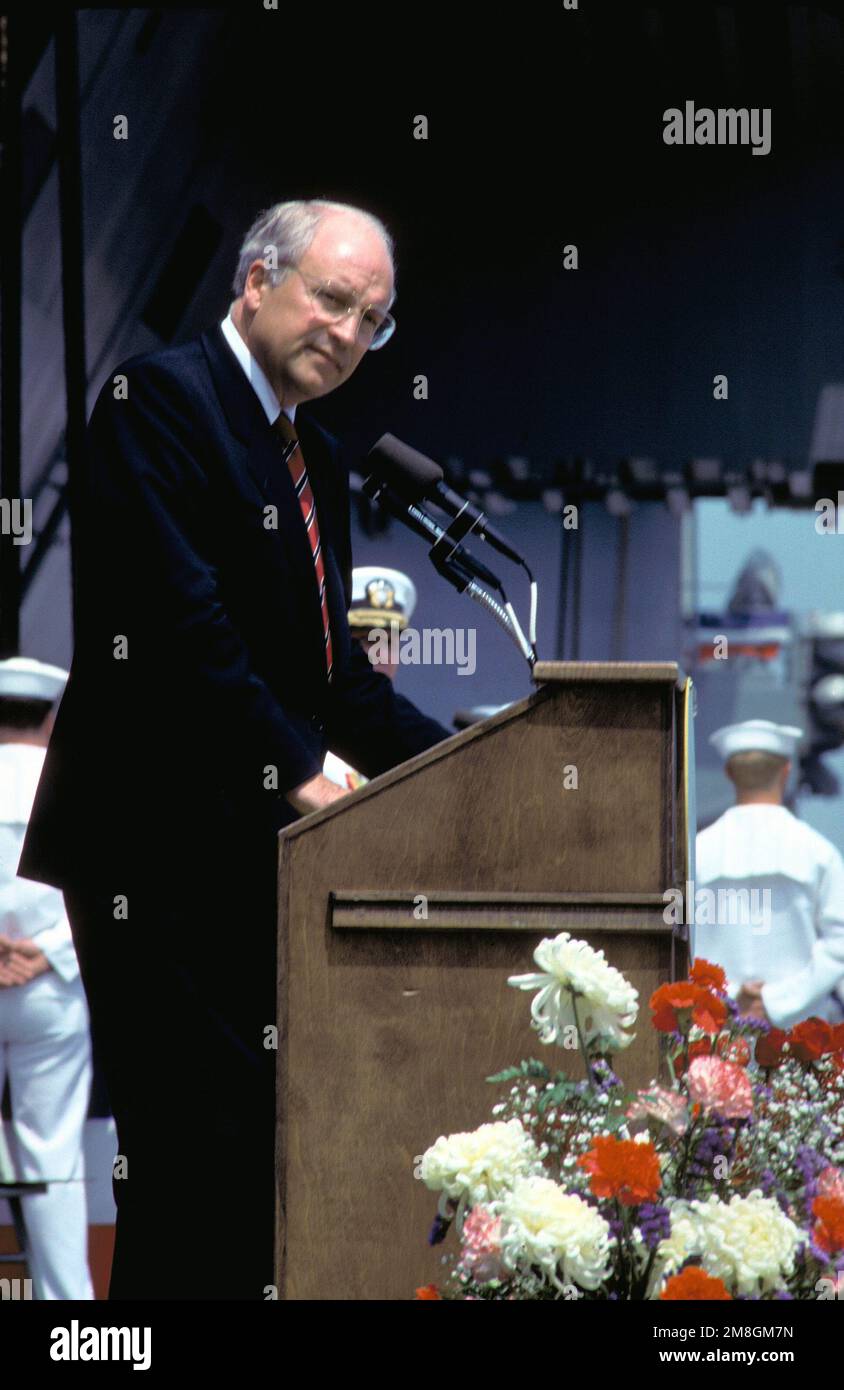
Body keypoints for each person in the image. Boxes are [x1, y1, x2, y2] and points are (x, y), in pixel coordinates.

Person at [17, 199, 451, 1300]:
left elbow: (334, 677)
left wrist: (465, 762)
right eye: (332, 299)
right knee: (191, 1149)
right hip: (155, 851)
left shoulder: (310, 450)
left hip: (249, 862)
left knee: (246, 1153)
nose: (349, 332)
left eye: (373, 319)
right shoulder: (158, 399)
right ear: (257, 282)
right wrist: (295, 765)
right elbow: (176, 619)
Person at [0, 657, 94, 1300]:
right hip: (52, 988)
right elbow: (107, 890)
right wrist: (54, 951)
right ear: (51, 715)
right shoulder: (75, 780)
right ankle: (71, 1315)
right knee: (52, 1154)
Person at [694, 718, 844, 1028]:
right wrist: (778, 1001)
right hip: (799, 1037)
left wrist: (733, 997)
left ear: (729, 773)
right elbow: (838, 943)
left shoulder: (696, 852)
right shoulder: (818, 853)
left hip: (711, 1031)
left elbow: (680, 940)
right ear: (786, 771)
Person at [323, 566, 416, 790]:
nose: (381, 655)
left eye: (390, 642)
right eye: (367, 640)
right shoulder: (313, 737)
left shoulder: (404, 728)